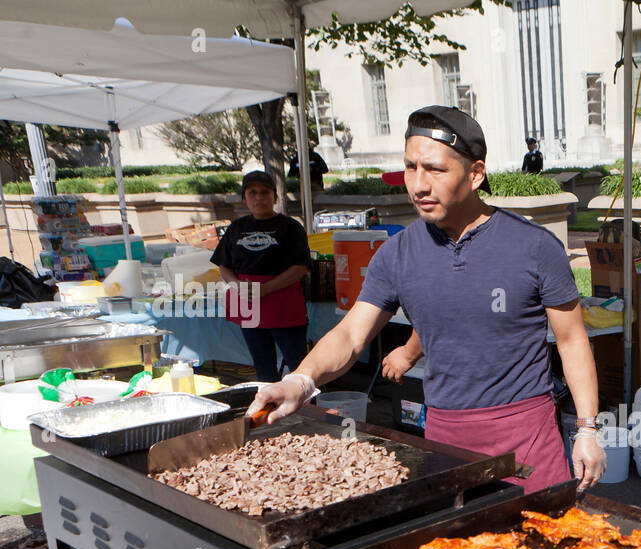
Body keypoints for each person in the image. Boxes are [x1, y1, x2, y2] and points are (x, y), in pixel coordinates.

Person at [249, 106, 605, 492]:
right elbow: (351, 335)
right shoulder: (396, 254)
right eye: (410, 167)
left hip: (525, 433)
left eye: (434, 169)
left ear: (475, 174)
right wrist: (301, 380)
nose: (418, 185)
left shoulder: (534, 246)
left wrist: (587, 429)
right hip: (444, 434)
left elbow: (571, 340)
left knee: (541, 546)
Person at [211, 170, 311, 383]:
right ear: (244, 198)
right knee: (262, 363)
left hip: (282, 302)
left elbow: (300, 268)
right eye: (252, 192)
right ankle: (268, 408)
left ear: (275, 197)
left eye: (265, 192)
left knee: (298, 364)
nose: (259, 197)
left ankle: (307, 410)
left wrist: (266, 289)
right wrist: (236, 285)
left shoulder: (291, 227)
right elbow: (224, 265)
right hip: (246, 302)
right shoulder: (236, 227)